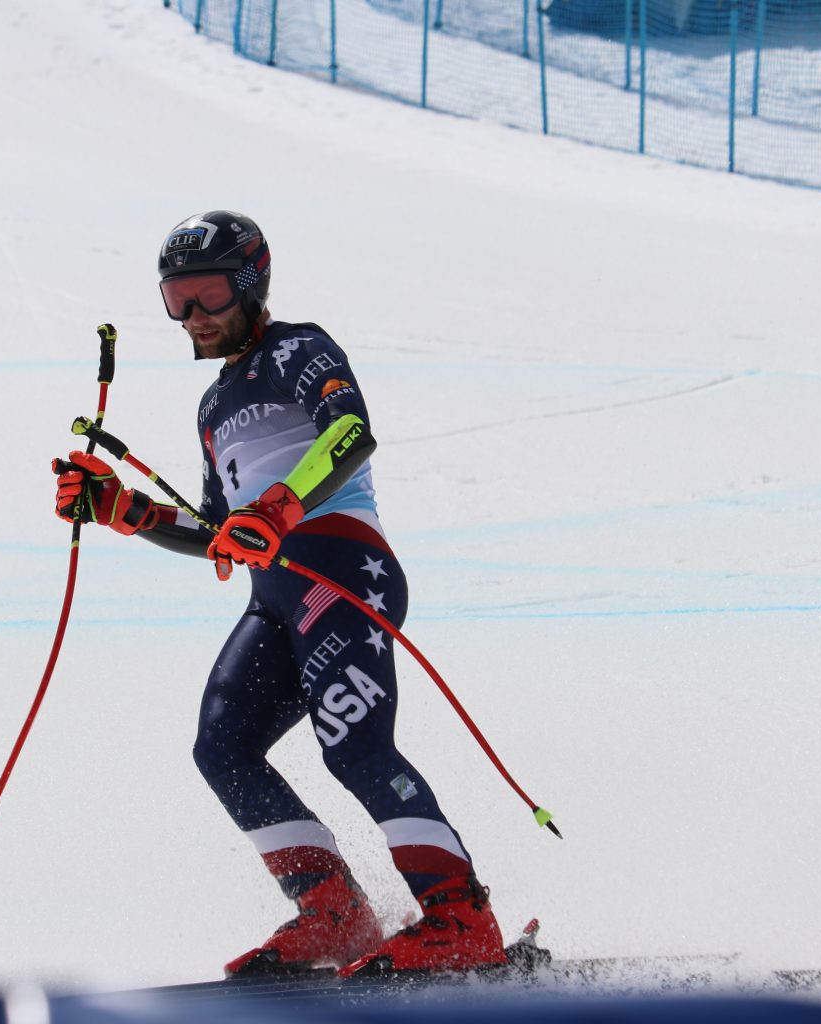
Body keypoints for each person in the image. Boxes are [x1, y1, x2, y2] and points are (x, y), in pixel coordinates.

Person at [52, 211, 506, 977]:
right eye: (176, 298)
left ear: (253, 283)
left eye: (208, 293)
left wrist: (283, 507)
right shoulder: (212, 405)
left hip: (339, 569)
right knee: (222, 748)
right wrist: (123, 510)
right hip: (274, 597)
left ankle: (462, 917)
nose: (192, 315)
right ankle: (332, 912)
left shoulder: (298, 348)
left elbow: (350, 431)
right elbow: (220, 530)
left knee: (354, 745)